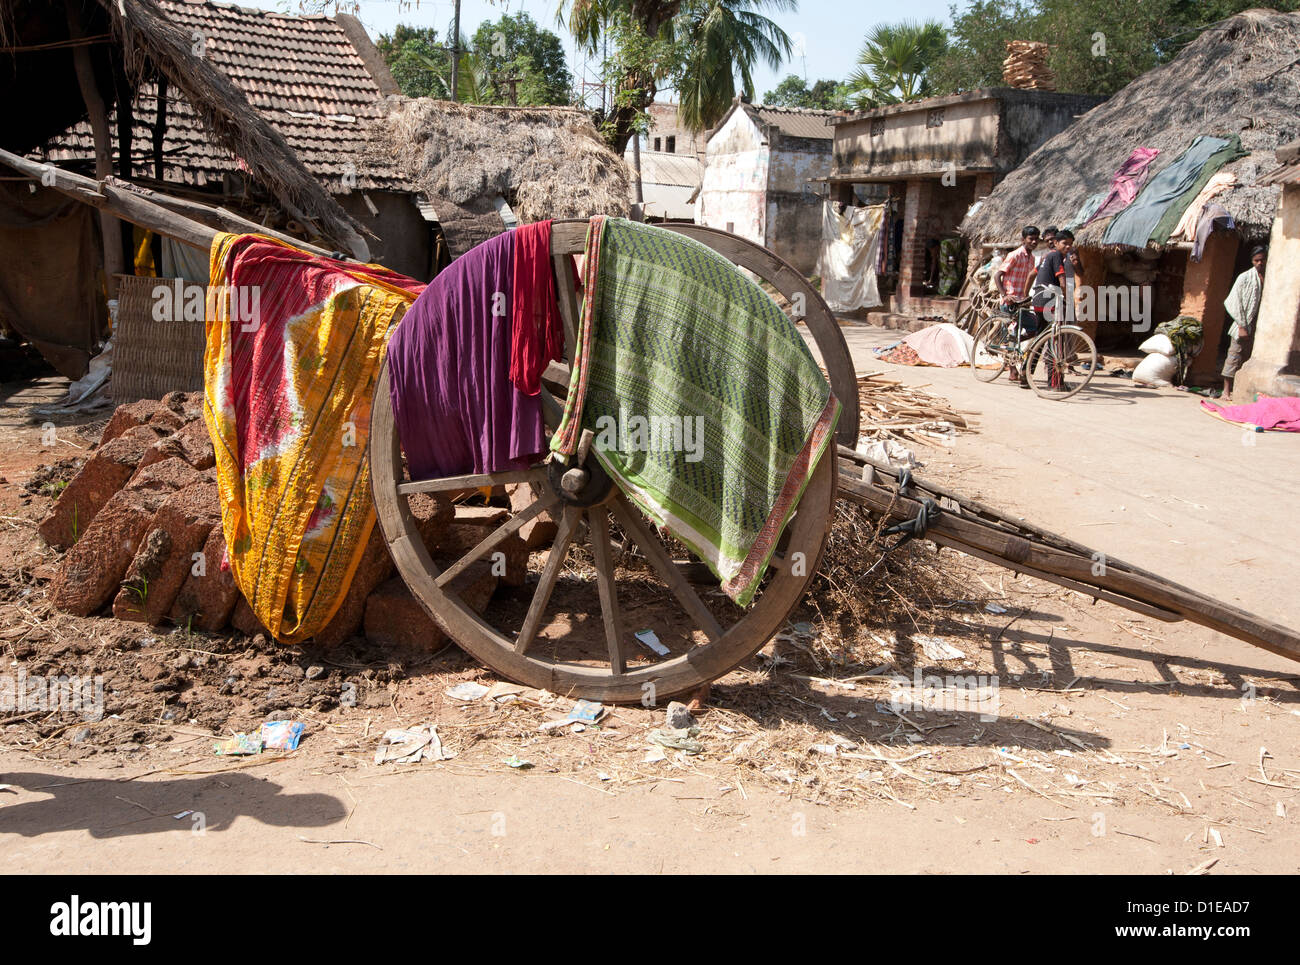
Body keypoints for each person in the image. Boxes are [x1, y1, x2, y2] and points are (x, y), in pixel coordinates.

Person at [1221, 245, 1267, 400]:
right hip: (1243, 323)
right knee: (1234, 356)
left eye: (1262, 260)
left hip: (1257, 325)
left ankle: (1241, 391)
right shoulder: (1245, 277)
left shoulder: (1268, 278)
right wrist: (1241, 325)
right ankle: (1226, 391)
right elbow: (1234, 301)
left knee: (1248, 359)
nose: (1260, 263)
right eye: (1256, 260)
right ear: (1252, 261)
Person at [1031, 228, 1082, 324]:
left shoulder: (1069, 253)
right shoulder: (1050, 256)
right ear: (1056, 242)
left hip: (1063, 293)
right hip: (1054, 295)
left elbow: (1080, 274)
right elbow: (1032, 274)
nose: (1050, 242)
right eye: (1047, 240)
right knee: (1057, 329)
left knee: (1063, 326)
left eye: (1052, 239)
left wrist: (1076, 263)